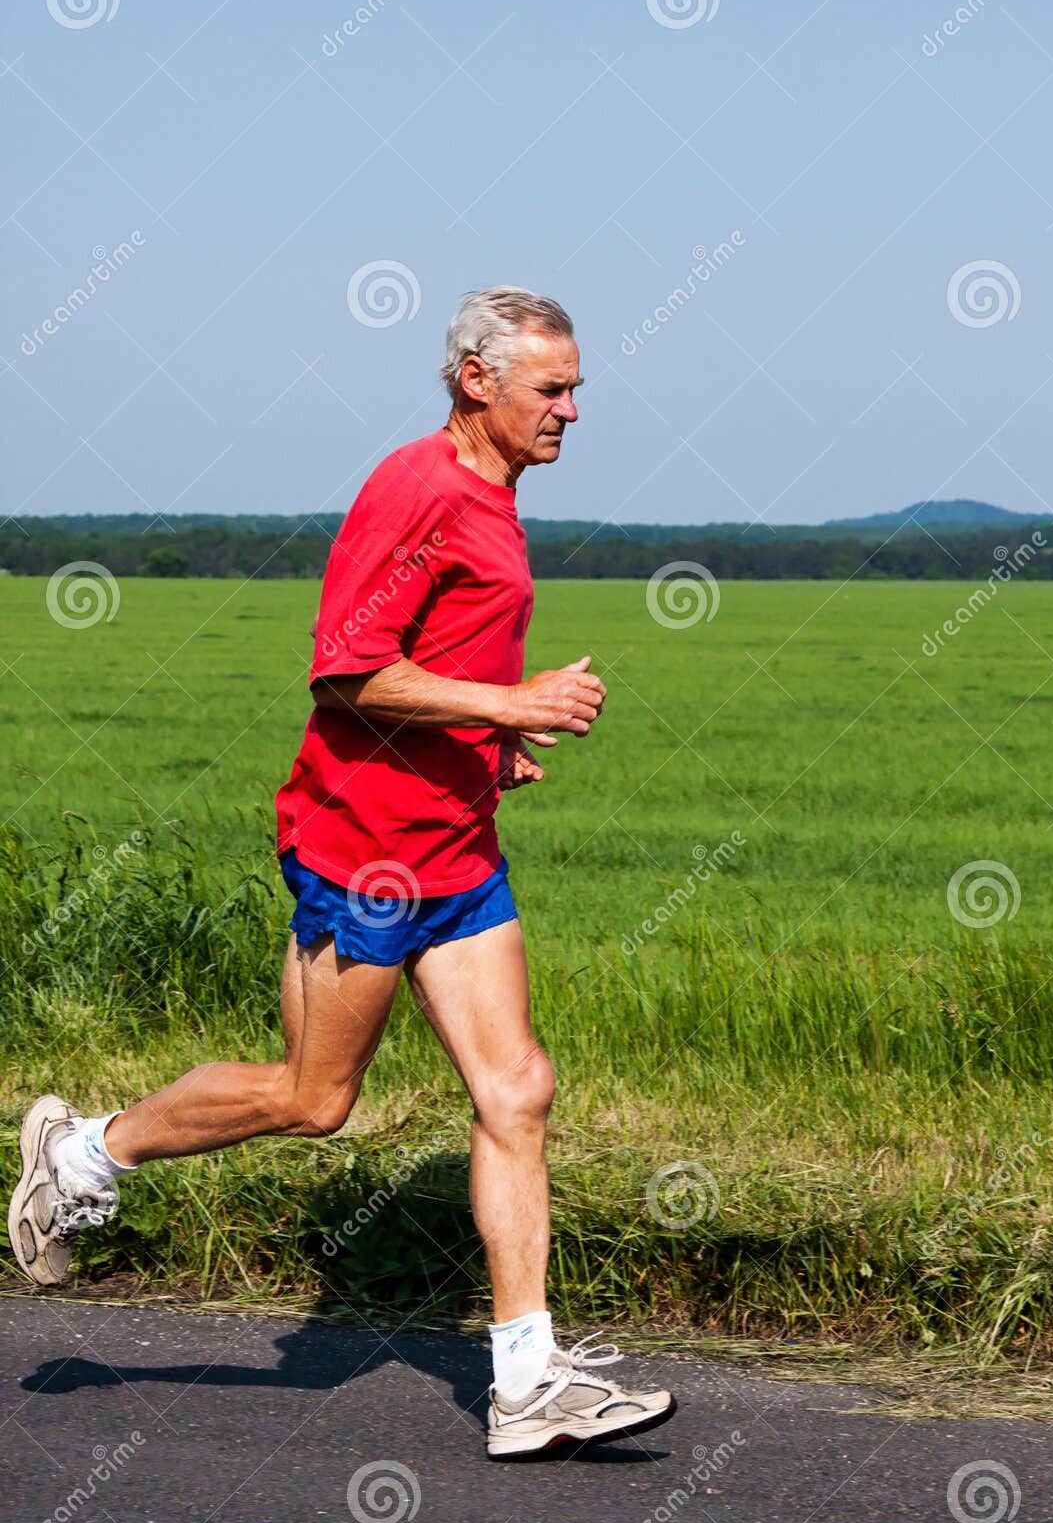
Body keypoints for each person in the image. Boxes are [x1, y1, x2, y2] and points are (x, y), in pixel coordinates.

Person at [9, 286, 676, 1459]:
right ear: (477, 380)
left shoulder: (496, 492)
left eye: (575, 388)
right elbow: (347, 672)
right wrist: (513, 701)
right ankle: (82, 1151)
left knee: (515, 1088)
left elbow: (437, 660)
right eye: (552, 389)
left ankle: (526, 1380)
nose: (574, 410)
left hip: (455, 851)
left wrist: (490, 740)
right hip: (363, 857)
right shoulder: (415, 489)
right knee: (313, 1102)